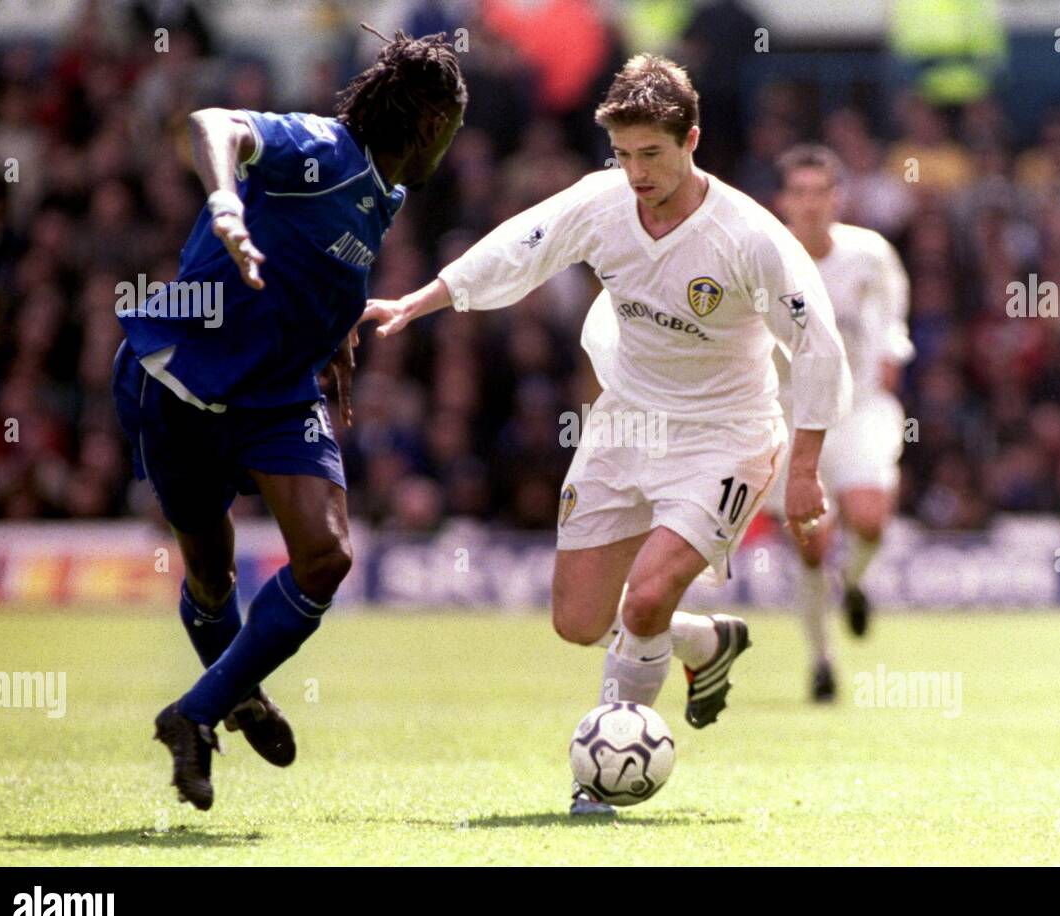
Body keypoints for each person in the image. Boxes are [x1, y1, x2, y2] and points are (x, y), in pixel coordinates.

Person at [360, 55, 852, 815]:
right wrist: (425, 299)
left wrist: (807, 470)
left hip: (725, 437)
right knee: (578, 621)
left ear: (692, 139)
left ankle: (598, 785)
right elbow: (520, 246)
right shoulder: (602, 200)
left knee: (646, 598)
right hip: (625, 423)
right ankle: (703, 644)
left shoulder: (750, 236)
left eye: (651, 154)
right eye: (622, 155)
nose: (635, 172)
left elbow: (817, 344)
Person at [112, 28, 467, 810]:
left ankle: (196, 711)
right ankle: (234, 695)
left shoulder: (388, 193)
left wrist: (333, 327)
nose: (451, 144)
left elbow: (326, 261)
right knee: (209, 570)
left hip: (277, 392)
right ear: (429, 123)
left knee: (327, 557)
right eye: (451, 126)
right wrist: (225, 204)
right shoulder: (321, 146)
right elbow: (211, 124)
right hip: (183, 376)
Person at [767, 144, 913, 701]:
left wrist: (889, 359)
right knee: (810, 545)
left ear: (837, 198)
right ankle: (822, 661)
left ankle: (852, 583)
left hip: (857, 406)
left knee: (869, 519)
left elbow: (893, 319)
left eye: (820, 192)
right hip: (789, 413)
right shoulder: (766, 257)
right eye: (798, 193)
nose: (809, 204)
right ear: (784, 201)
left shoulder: (869, 254)